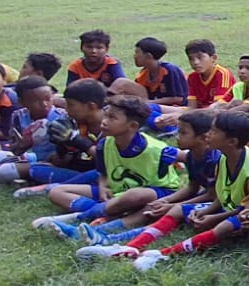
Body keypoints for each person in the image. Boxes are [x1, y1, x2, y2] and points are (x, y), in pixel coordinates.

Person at [130, 112, 249, 270]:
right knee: (177, 210)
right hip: (231, 209)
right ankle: (132, 247)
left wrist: (214, 218)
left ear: (231, 141)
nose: (208, 134)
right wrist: (207, 211)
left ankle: (164, 254)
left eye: (214, 131)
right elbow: (222, 195)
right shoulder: (224, 157)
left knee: (224, 227)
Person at [33, 96, 182, 236]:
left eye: (112, 118)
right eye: (106, 115)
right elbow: (103, 173)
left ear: (132, 126)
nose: (104, 121)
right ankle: (116, 210)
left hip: (156, 193)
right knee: (57, 192)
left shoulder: (155, 149)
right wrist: (103, 186)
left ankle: (82, 217)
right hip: (117, 191)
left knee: (136, 195)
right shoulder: (105, 144)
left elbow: (186, 156)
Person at [73, 109, 218, 251]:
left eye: (183, 133)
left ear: (203, 138)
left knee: (174, 212)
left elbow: (212, 195)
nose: (177, 136)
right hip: (207, 198)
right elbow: (192, 187)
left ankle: (112, 239)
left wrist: (174, 205)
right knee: (154, 207)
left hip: (217, 203)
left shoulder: (213, 160)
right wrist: (166, 201)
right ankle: (100, 229)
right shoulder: (192, 156)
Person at [0, 76, 67, 189]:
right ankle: (18, 179)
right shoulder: (19, 116)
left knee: (5, 170)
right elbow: (15, 150)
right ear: (21, 102)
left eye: (48, 99)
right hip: (34, 158)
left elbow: (68, 152)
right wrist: (24, 144)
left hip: (53, 163)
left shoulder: (62, 117)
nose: (44, 104)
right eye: (36, 101)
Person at [110, 37, 187, 105]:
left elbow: (178, 99)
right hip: (154, 105)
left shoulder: (169, 70)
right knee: (121, 83)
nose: (134, 56)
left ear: (148, 56)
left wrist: (148, 102)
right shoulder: (143, 74)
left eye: (137, 52)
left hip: (178, 108)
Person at [183, 39, 234, 109]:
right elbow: (191, 107)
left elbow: (219, 108)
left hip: (219, 114)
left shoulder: (223, 74)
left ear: (213, 58)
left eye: (200, 57)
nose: (195, 62)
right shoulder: (192, 77)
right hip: (199, 113)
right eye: (191, 59)